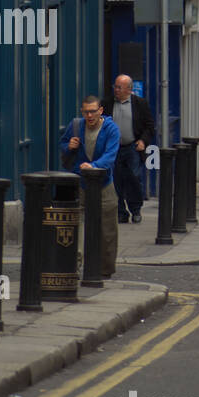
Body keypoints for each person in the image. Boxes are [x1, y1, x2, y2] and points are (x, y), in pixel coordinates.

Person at [60, 95, 120, 278]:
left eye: (93, 111)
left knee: (107, 228)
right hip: (80, 182)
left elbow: (111, 155)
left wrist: (94, 166)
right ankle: (74, 266)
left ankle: (104, 269)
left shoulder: (111, 128)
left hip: (104, 183)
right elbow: (63, 144)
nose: (89, 115)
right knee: (75, 224)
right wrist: (68, 146)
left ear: (101, 110)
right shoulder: (76, 125)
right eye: (86, 111)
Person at [102, 75, 155, 224]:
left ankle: (135, 209)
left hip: (132, 147)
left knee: (134, 178)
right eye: (115, 86)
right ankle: (121, 212)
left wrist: (143, 141)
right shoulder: (107, 103)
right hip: (113, 148)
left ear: (129, 89)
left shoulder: (140, 104)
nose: (116, 90)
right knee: (115, 180)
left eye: (119, 87)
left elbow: (149, 126)